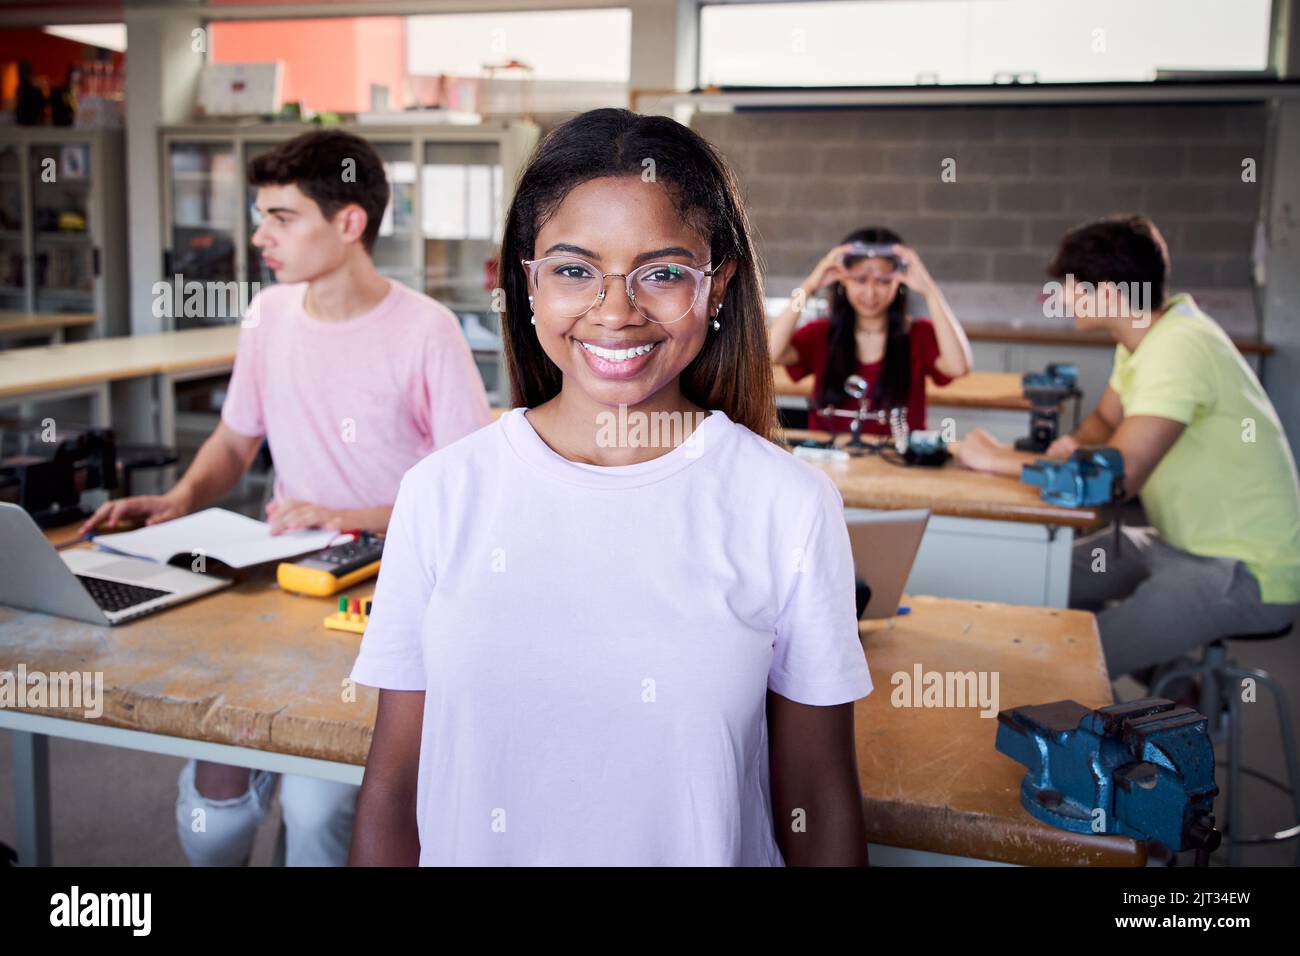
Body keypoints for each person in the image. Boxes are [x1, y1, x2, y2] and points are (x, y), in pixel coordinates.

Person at [348, 108, 874, 866]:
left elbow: (818, 799)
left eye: (661, 273)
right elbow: (395, 788)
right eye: (574, 270)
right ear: (527, 285)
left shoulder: (787, 504)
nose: (617, 312)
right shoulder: (442, 493)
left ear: (717, 285)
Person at [80, 130, 491, 865]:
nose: (259, 235)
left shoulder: (427, 331)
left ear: (349, 223)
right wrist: (175, 499)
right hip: (276, 582)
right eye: (258, 215)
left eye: (280, 217)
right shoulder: (267, 316)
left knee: (316, 810)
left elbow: (473, 497)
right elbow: (236, 442)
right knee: (214, 815)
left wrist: (350, 518)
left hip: (382, 591)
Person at [955, 215, 1300, 680]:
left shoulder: (1179, 347)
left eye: (1073, 287)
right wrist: (1070, 445)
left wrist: (998, 459)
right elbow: (1103, 422)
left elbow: (1116, 477)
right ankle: (1175, 686)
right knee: (1036, 579)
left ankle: (1134, 716)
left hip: (1243, 568)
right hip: (1176, 543)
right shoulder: (1145, 336)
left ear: (1112, 292)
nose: (1061, 298)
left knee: (1072, 665)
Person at [768, 227, 972, 434]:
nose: (870, 292)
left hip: (898, 463)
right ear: (843, 280)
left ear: (898, 282)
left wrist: (930, 290)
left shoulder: (918, 334)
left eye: (883, 281)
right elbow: (769, 353)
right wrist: (809, 287)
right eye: (860, 280)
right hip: (828, 460)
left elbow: (959, 367)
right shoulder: (821, 333)